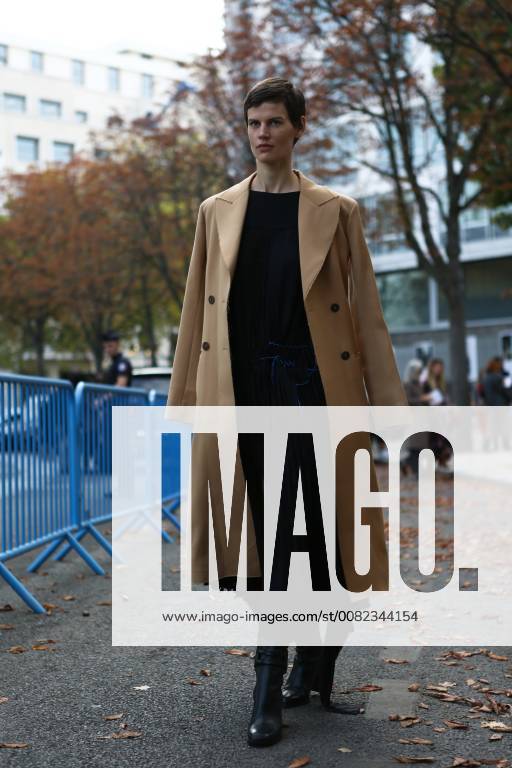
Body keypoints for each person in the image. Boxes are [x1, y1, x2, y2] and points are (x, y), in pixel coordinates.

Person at [166, 77, 407, 748]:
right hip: (241, 393)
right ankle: (280, 678)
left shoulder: (337, 210)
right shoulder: (216, 211)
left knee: (327, 540)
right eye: (254, 122)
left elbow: (366, 314)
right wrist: (184, 400)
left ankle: (302, 669)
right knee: (261, 540)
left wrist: (389, 408)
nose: (263, 133)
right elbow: (195, 311)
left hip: (316, 392)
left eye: (274, 121)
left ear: (299, 127)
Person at [400, 359, 431, 476]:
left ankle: (406, 463)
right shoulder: (407, 384)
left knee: (420, 447)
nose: (420, 373)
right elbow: (407, 400)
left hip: (422, 418)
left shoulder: (420, 384)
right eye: (418, 371)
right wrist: (421, 399)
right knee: (414, 447)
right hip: (414, 418)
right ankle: (416, 471)